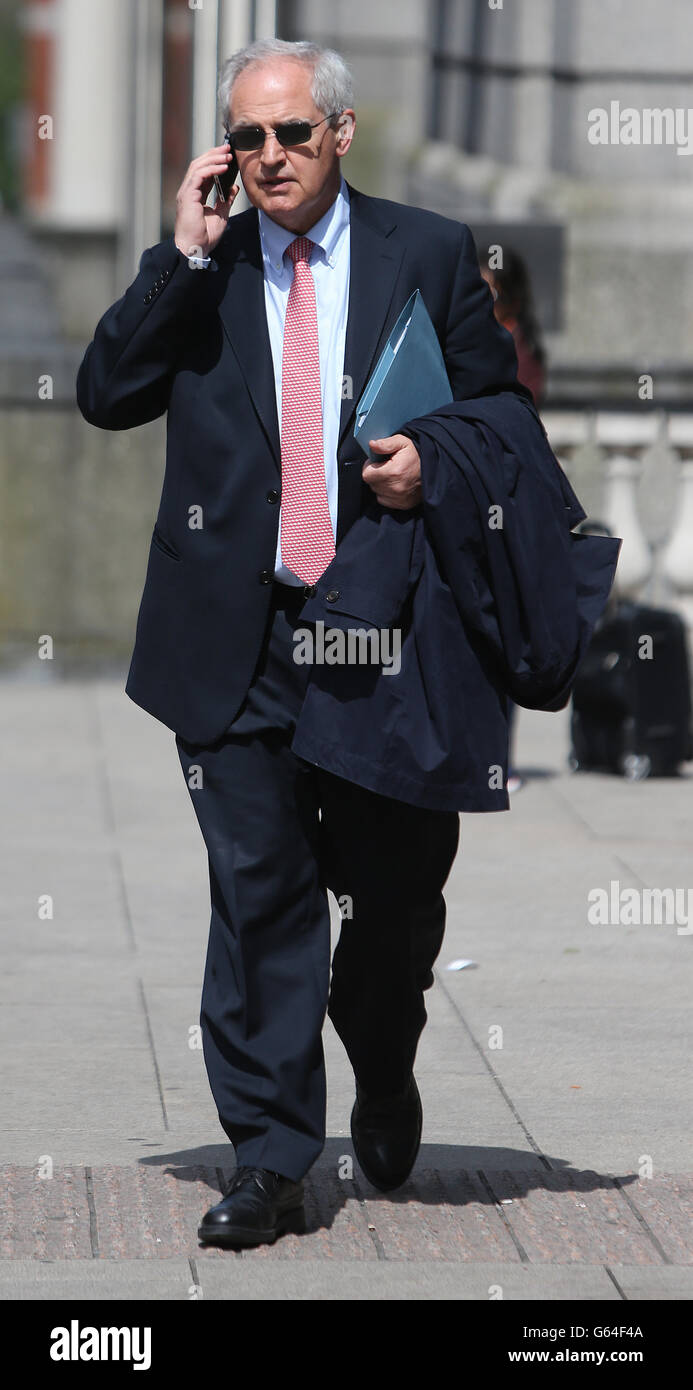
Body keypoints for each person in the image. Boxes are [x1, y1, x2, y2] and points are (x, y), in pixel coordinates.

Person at [76, 38, 523, 1249]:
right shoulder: (204, 268)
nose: (268, 157)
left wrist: (436, 460)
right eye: (247, 138)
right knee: (260, 895)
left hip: (380, 631)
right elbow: (106, 392)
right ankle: (270, 1160)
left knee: (392, 902)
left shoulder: (424, 252)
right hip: (238, 637)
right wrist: (179, 253)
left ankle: (383, 1053)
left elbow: (504, 415)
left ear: (341, 132)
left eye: (291, 134)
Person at [480, 247, 547, 791]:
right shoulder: (473, 338)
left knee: (508, 635)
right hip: (476, 503)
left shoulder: (516, 348)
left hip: (511, 507)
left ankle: (500, 756)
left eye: (492, 289)